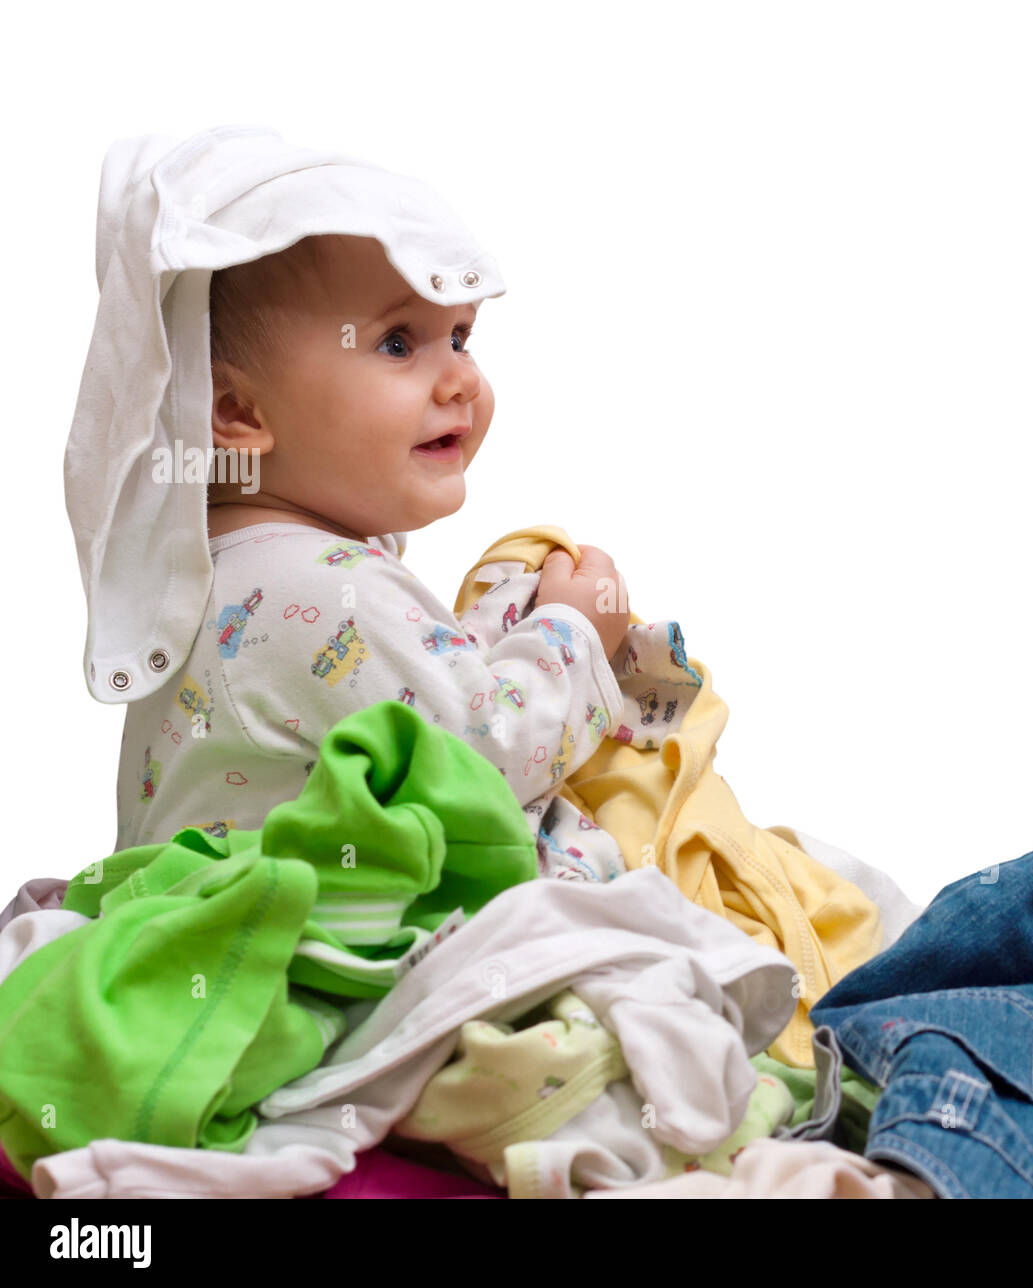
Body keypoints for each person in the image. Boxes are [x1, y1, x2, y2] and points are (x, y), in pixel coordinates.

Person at [64, 126, 628, 858]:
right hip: (349, 958)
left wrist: (492, 629)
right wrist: (573, 633)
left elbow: (419, 708)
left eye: (459, 336)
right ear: (238, 414)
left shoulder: (226, 575)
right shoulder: (322, 590)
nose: (461, 379)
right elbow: (489, 762)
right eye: (398, 343)